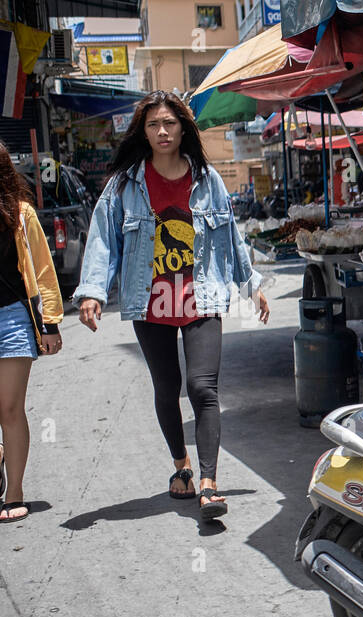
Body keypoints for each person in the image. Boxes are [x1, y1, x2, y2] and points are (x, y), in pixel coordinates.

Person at [74, 90, 270, 521]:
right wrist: (92, 289)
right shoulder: (125, 184)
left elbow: (229, 235)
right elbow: (104, 238)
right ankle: (180, 464)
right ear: (143, 131)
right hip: (150, 301)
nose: (162, 131)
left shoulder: (207, 178)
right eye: (153, 124)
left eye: (170, 123)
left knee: (203, 388)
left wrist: (250, 283)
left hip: (201, 297)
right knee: (167, 388)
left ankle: (209, 483)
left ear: (183, 127)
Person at [0, 143, 64, 523]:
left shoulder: (21, 216)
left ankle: (15, 491)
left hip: (11, 319)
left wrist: (51, 323)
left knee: (8, 407)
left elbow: (43, 270)